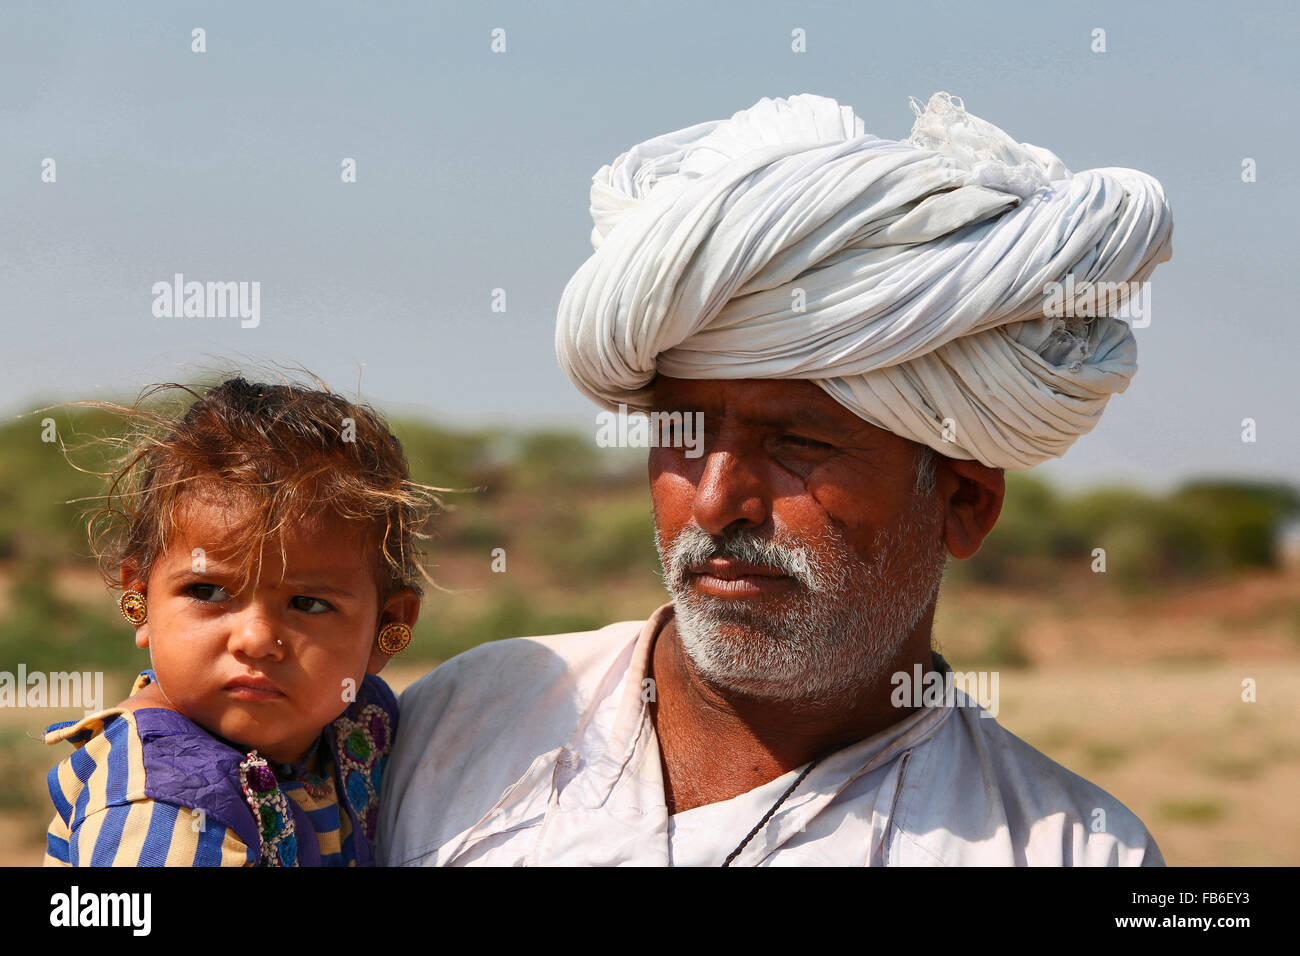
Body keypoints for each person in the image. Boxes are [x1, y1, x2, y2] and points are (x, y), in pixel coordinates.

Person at [378, 92, 1174, 866]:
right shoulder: (466, 719)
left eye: (798, 443)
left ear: (963, 503)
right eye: (683, 436)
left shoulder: (1066, 847)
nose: (718, 501)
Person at [43, 377, 441, 866]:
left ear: (388, 626)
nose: (256, 641)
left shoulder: (358, 717)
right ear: (140, 596)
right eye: (206, 592)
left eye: (309, 604)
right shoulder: (166, 803)